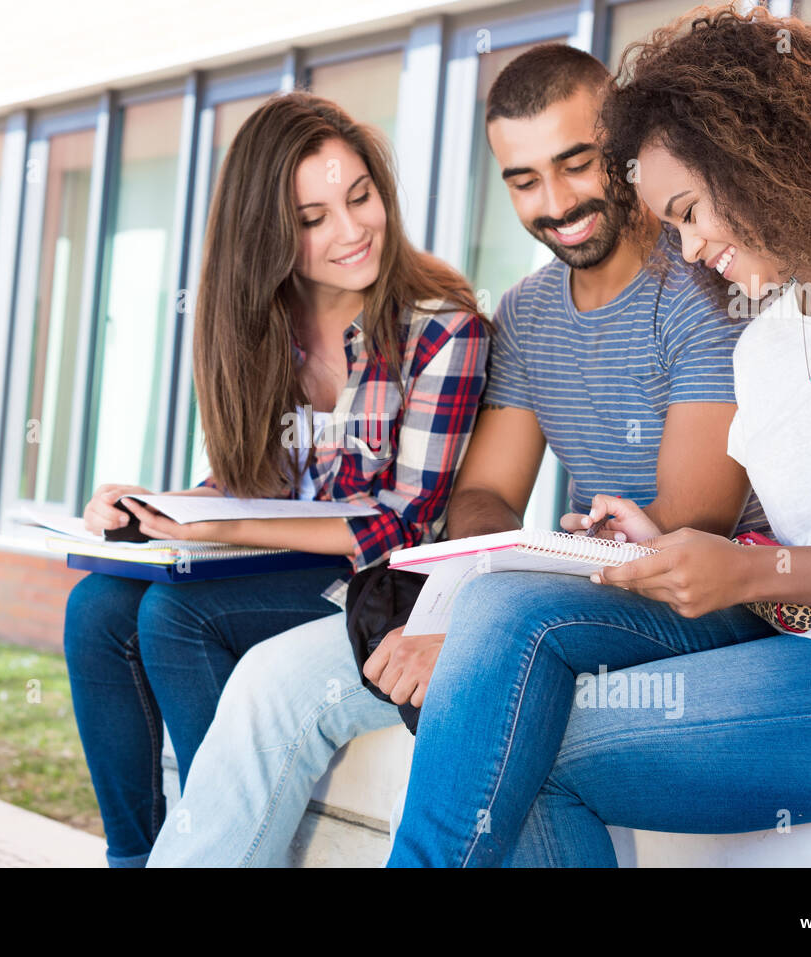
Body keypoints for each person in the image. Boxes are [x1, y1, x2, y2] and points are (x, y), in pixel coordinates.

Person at [386, 3, 811, 868]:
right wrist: (668, 546)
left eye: (694, 210)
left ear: (768, 158)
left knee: (525, 748)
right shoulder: (771, 342)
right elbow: (805, 585)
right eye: (672, 224)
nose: (692, 247)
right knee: (503, 612)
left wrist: (751, 567)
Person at [147, 42, 771, 867]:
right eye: (522, 180)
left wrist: (484, 633)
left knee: (503, 709)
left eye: (577, 163)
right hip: (554, 596)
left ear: (622, 148)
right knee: (269, 678)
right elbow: (484, 498)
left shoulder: (698, 283)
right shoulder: (529, 309)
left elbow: (686, 530)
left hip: (703, 605)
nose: (556, 202)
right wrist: (461, 608)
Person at [63, 92, 489, 867]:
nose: (352, 230)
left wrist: (212, 526)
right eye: (313, 217)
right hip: (284, 563)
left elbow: (404, 521)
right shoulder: (267, 326)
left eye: (360, 198)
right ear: (268, 235)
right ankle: (134, 855)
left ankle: (216, 845)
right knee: (96, 610)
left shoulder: (442, 327)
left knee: (175, 618)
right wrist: (159, 506)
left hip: (379, 582)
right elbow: (254, 480)